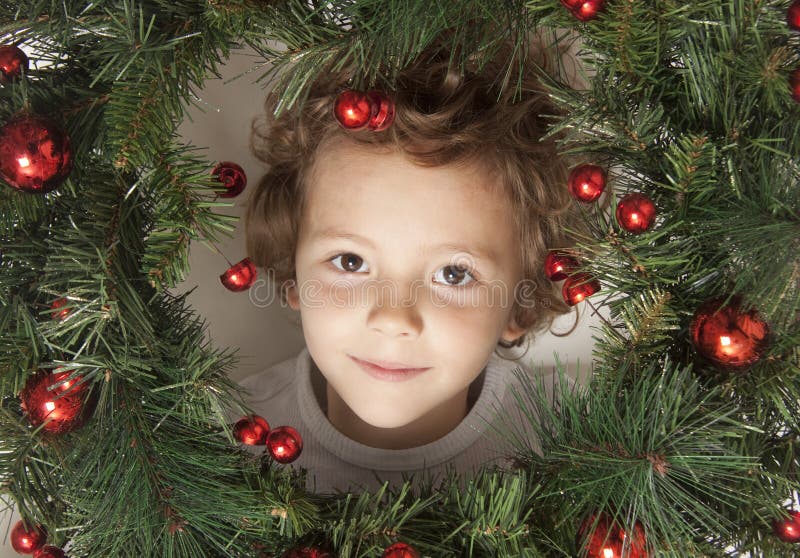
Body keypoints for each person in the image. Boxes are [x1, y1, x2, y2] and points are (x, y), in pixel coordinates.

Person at [236, 28, 584, 497]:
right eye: (351, 261)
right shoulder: (225, 442)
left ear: (520, 304)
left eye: (453, 274)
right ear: (294, 272)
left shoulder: (577, 446)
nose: (393, 319)